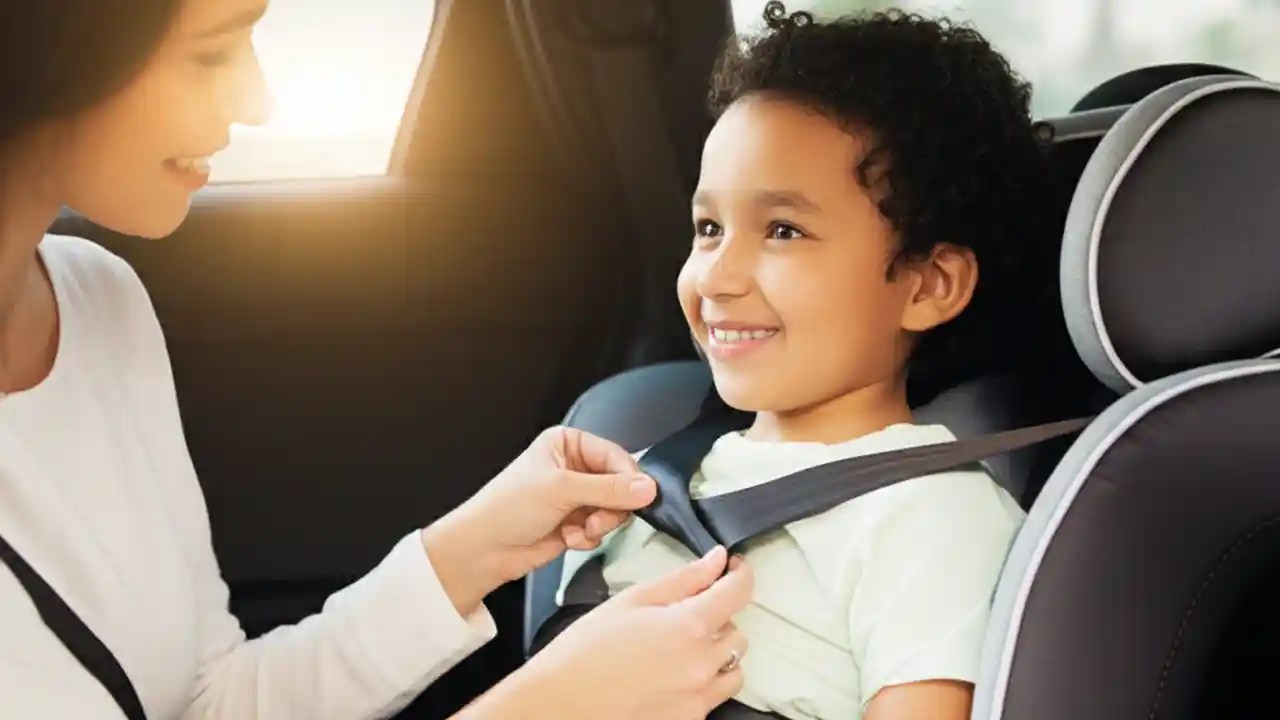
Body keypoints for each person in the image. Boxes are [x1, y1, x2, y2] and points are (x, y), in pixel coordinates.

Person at [0, 1, 754, 719]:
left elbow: (208, 704)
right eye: (211, 52)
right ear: (50, 40)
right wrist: (547, 706)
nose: (256, 101)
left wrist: (471, 549)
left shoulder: (98, 302)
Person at [556, 5, 1051, 719]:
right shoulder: (640, 478)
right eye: (708, 227)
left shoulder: (932, 520)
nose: (716, 275)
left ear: (927, 285)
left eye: (783, 230)